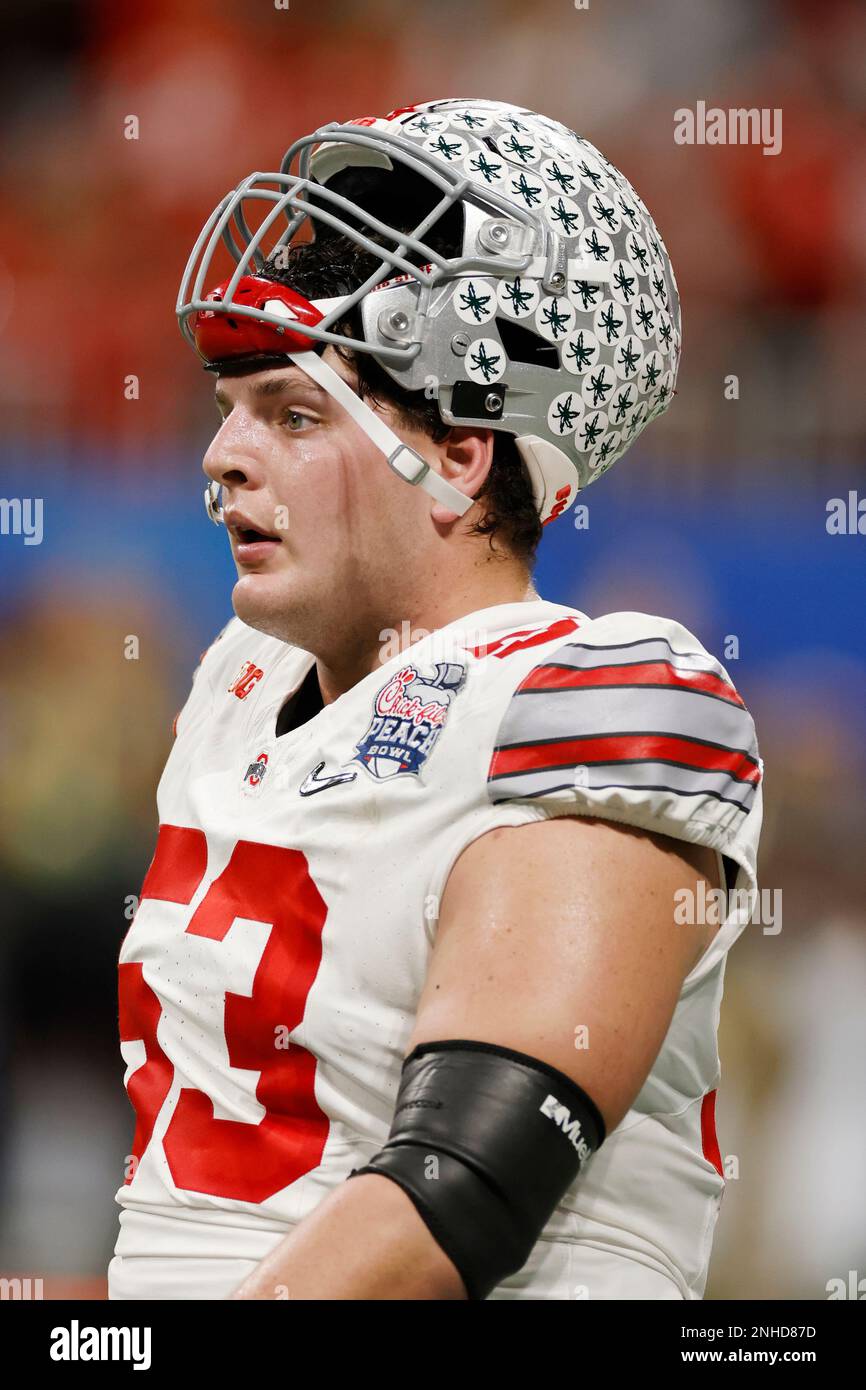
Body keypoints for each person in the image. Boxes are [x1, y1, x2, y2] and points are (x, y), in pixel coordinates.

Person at [108, 98, 762, 1301]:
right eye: (229, 408)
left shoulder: (587, 694)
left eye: (293, 413)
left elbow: (460, 1189)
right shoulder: (238, 685)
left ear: (461, 457)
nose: (223, 457)